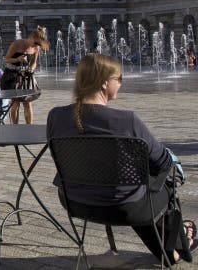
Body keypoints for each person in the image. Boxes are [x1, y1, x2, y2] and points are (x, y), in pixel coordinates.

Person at [47, 54, 197, 265]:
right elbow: (164, 164)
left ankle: (174, 240)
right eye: (119, 78)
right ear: (103, 82)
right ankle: (175, 243)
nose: (121, 82)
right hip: (125, 208)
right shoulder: (127, 121)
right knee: (169, 172)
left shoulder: (55, 116)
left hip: (76, 202)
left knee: (132, 180)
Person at [1, 26, 48, 124]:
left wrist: (31, 69)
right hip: (12, 75)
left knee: (28, 103)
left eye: (38, 44)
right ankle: (15, 128)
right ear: (31, 37)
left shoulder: (36, 48)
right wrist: (18, 59)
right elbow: (6, 59)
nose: (36, 45)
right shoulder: (17, 44)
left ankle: (29, 127)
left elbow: (34, 63)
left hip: (25, 76)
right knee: (15, 103)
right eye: (36, 42)